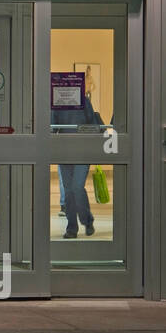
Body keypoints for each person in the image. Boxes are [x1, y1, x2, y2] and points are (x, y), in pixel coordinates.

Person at [51, 92, 102, 238]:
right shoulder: (57, 102)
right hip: (64, 151)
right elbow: (52, 128)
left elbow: (92, 124)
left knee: (77, 187)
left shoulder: (84, 101)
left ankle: (87, 221)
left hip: (82, 150)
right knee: (68, 191)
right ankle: (71, 227)